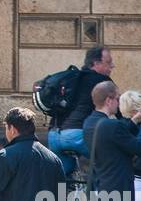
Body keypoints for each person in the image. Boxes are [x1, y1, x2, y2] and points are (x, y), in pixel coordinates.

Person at [48, 46, 115, 174]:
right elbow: (118, 109)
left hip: (54, 135)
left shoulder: (73, 78)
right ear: (96, 64)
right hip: (76, 136)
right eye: (108, 62)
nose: (112, 66)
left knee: (62, 178)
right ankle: (98, 192)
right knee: (108, 162)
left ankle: (62, 192)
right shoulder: (102, 82)